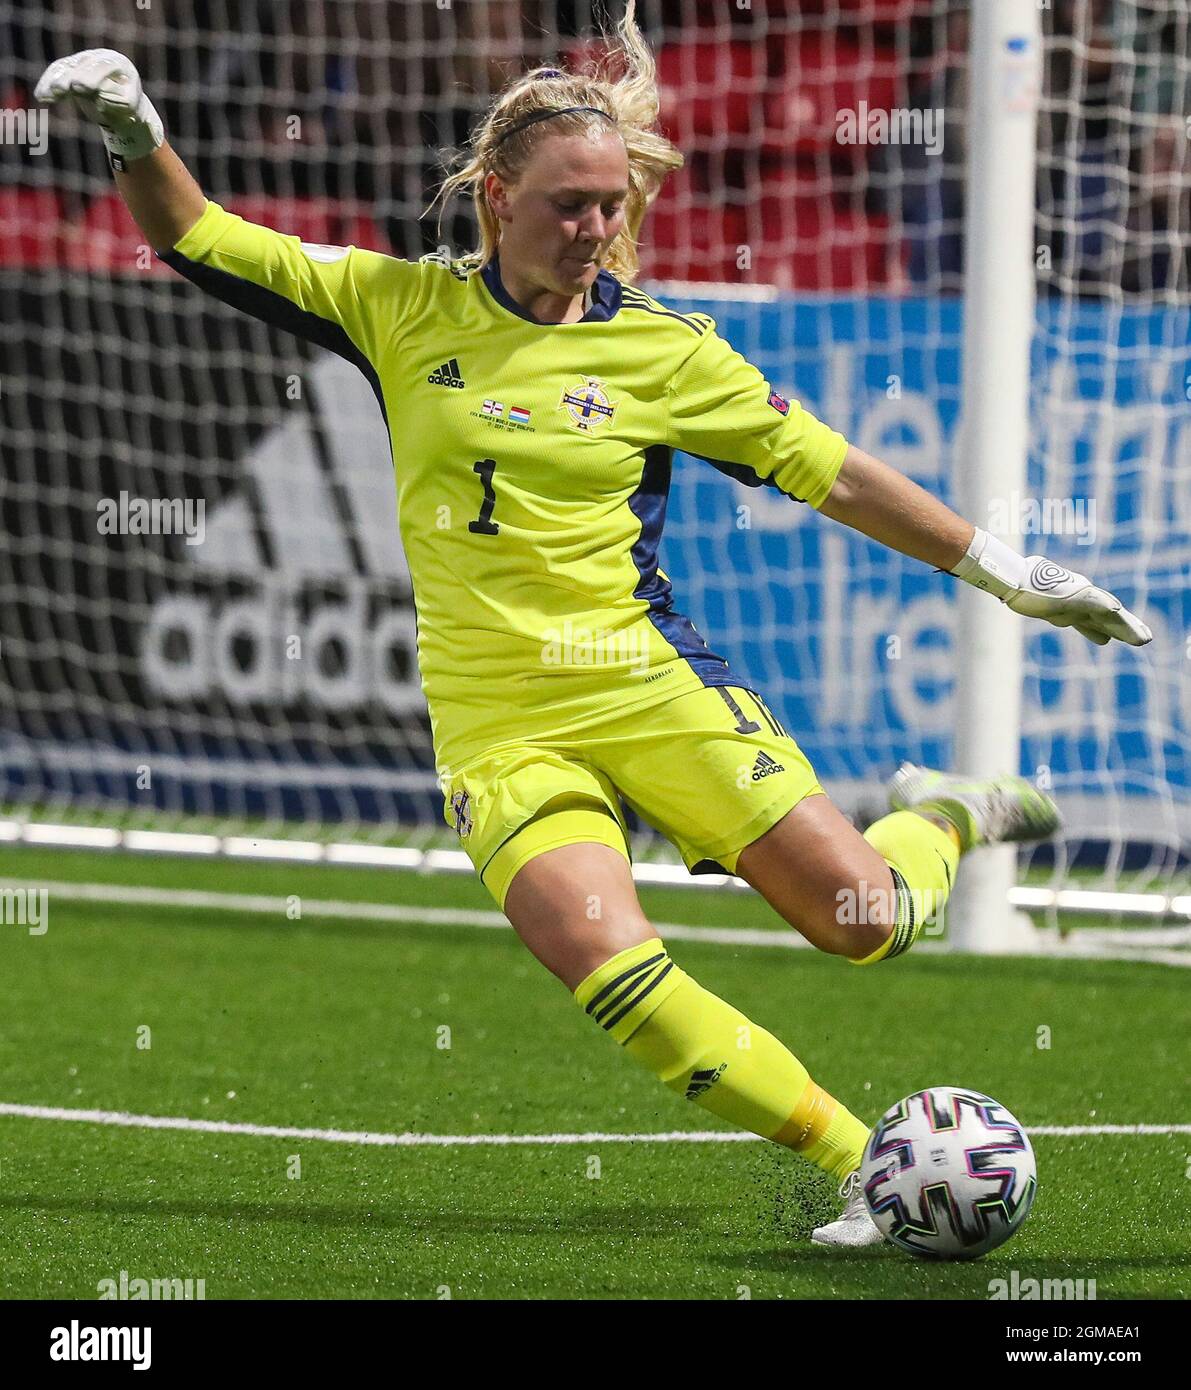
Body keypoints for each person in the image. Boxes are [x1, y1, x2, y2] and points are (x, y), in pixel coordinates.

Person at [35, 3, 1151, 1249]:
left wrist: (1004, 567)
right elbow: (199, 236)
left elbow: (835, 475)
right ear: (496, 198)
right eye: (569, 204)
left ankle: (945, 810)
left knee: (865, 925)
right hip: (499, 726)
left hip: (649, 681)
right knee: (606, 963)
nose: (597, 228)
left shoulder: (665, 350)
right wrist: (134, 127)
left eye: (612, 203)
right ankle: (864, 1165)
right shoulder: (399, 312)